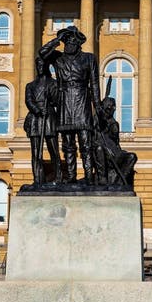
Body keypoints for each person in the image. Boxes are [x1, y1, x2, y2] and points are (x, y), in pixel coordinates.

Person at [39, 26, 102, 185]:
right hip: (64, 99)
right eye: (66, 42)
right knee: (67, 144)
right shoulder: (58, 58)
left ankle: (88, 176)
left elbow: (94, 83)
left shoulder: (89, 58)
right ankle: (71, 176)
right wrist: (57, 40)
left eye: (71, 42)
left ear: (78, 44)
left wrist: (98, 105)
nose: (68, 45)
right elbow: (42, 53)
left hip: (82, 99)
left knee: (86, 143)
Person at [24, 57, 61, 186]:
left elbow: (57, 101)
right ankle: (38, 179)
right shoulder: (30, 86)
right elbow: (28, 101)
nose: (39, 67)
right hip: (35, 118)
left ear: (46, 67)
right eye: (38, 65)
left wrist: (50, 100)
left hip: (49, 118)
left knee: (54, 150)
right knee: (36, 152)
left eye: (42, 65)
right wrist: (38, 110)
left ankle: (58, 178)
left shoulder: (53, 83)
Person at [94, 95, 137, 190]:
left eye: (114, 106)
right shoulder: (97, 122)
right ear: (105, 108)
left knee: (132, 156)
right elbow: (94, 139)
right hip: (102, 152)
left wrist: (120, 152)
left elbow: (116, 142)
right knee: (99, 149)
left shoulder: (114, 123)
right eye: (110, 106)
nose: (113, 109)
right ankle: (102, 179)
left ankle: (118, 183)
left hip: (115, 152)